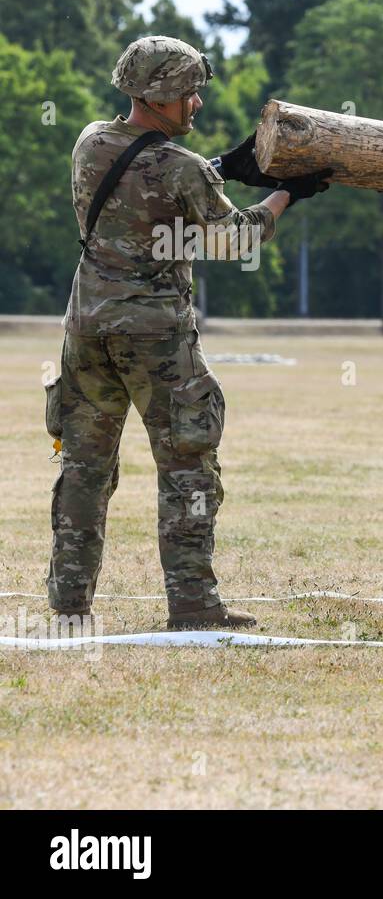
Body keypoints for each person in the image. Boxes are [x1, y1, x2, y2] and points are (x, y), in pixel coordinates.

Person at [46, 35, 330, 629]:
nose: (197, 102)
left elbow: (147, 184)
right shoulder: (183, 168)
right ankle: (194, 602)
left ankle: (69, 603)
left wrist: (223, 167)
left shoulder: (90, 143)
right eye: (191, 91)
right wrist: (286, 193)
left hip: (87, 330)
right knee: (188, 469)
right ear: (163, 94)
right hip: (156, 339)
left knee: (84, 469)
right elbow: (235, 238)